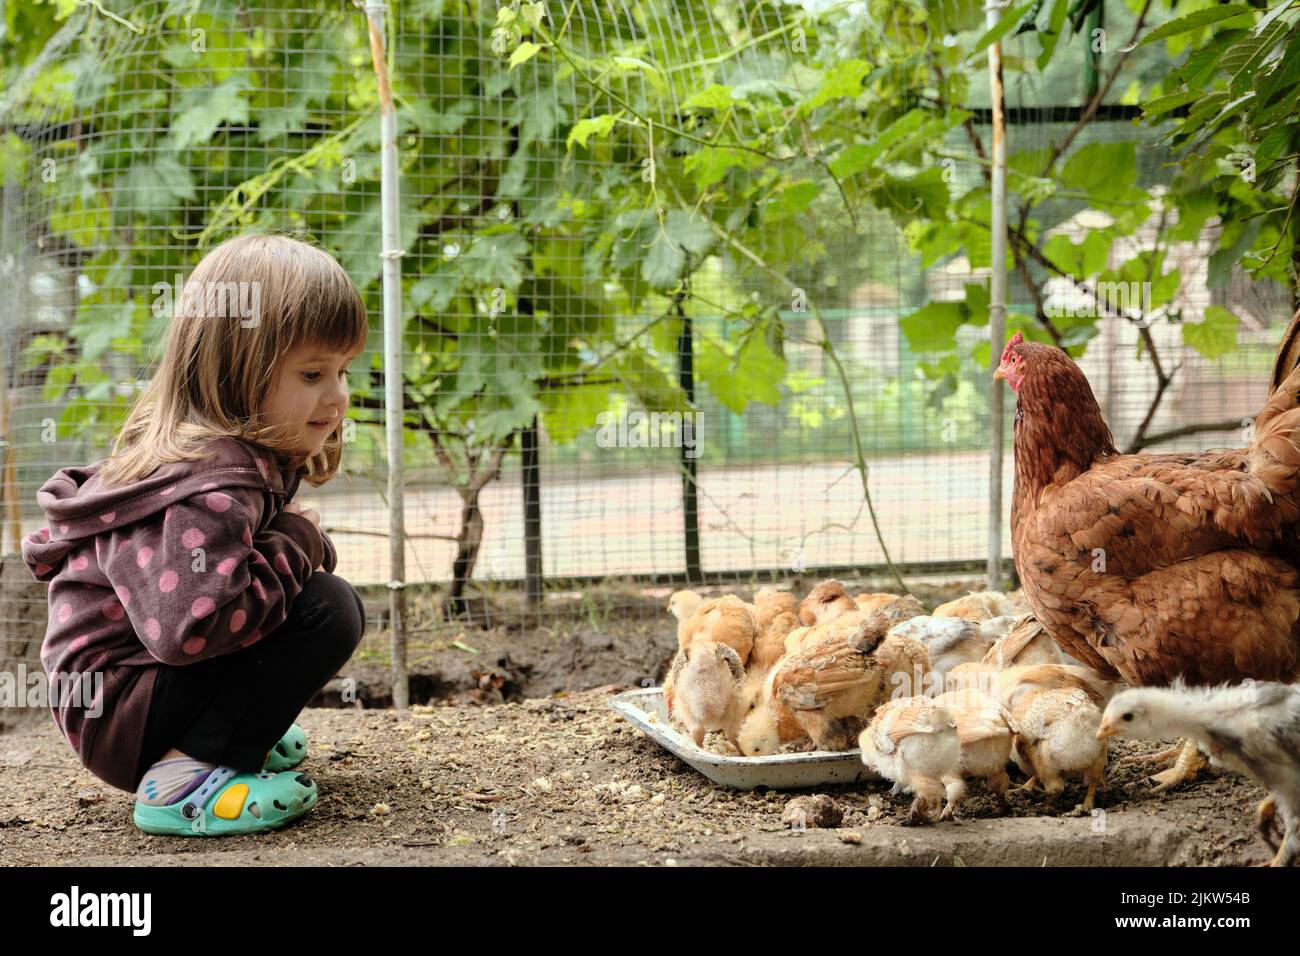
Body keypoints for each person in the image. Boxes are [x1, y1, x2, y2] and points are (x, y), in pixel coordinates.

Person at [21, 233, 368, 836]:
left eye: (342, 371)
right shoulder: (209, 485)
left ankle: (218, 730)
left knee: (311, 598)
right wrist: (298, 543)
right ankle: (183, 780)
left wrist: (288, 541)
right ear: (238, 371)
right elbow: (191, 630)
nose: (336, 396)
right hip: (123, 713)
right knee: (328, 610)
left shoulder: (218, 457)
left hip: (115, 701)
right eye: (313, 373)